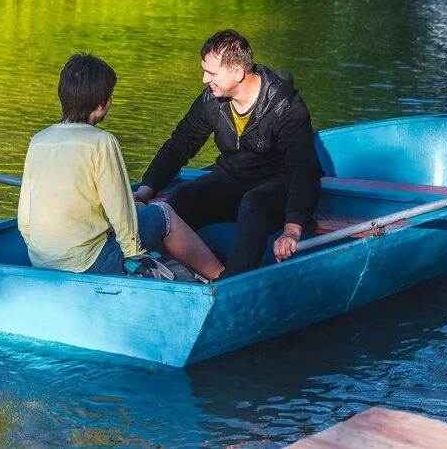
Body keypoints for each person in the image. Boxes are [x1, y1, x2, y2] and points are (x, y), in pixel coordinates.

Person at [134, 30, 324, 278]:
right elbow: (180, 144)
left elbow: (304, 171)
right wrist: (145, 191)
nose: (204, 79)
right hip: (235, 180)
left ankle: (231, 281)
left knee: (253, 203)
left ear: (238, 73)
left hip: (279, 188)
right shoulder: (212, 100)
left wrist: (292, 230)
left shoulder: (285, 106)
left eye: (211, 73)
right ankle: (162, 266)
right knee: (183, 198)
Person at [17, 53, 224, 281]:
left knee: (138, 212)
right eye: (110, 96)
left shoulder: (38, 140)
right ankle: (223, 278)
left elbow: (25, 219)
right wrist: (133, 254)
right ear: (100, 103)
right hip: (91, 262)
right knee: (164, 213)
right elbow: (119, 208)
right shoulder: (102, 142)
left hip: (40, 259)